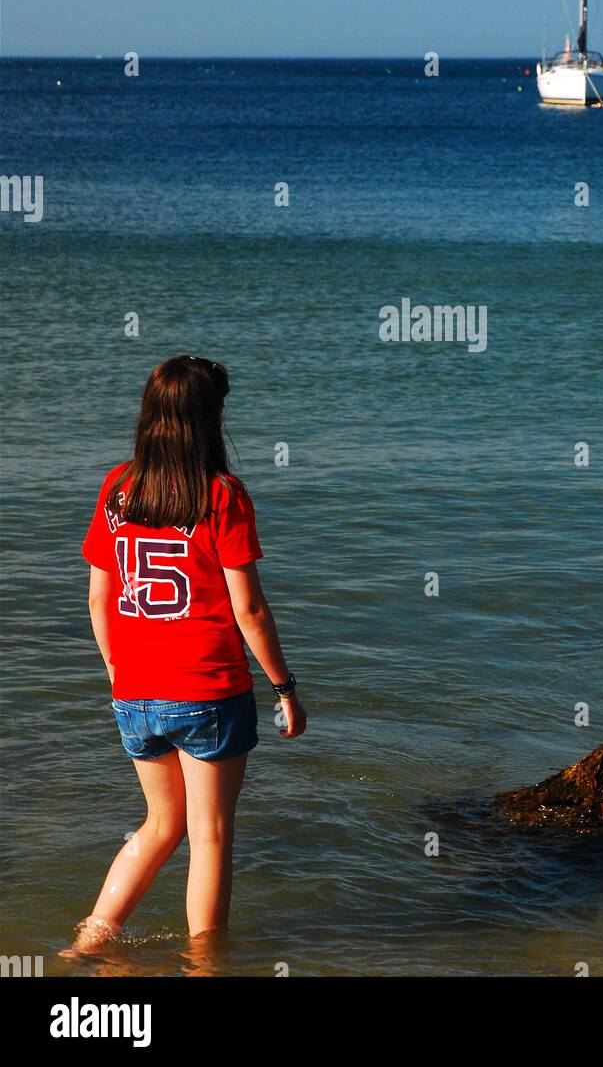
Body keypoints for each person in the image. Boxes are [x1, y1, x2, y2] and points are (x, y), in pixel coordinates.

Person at [64, 354, 306, 955]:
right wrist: (284, 688)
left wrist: (119, 671)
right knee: (211, 835)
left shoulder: (118, 487)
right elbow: (248, 609)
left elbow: (98, 598)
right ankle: (205, 966)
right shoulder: (221, 495)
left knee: (160, 825)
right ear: (208, 418)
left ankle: (87, 945)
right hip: (207, 690)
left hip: (134, 691)